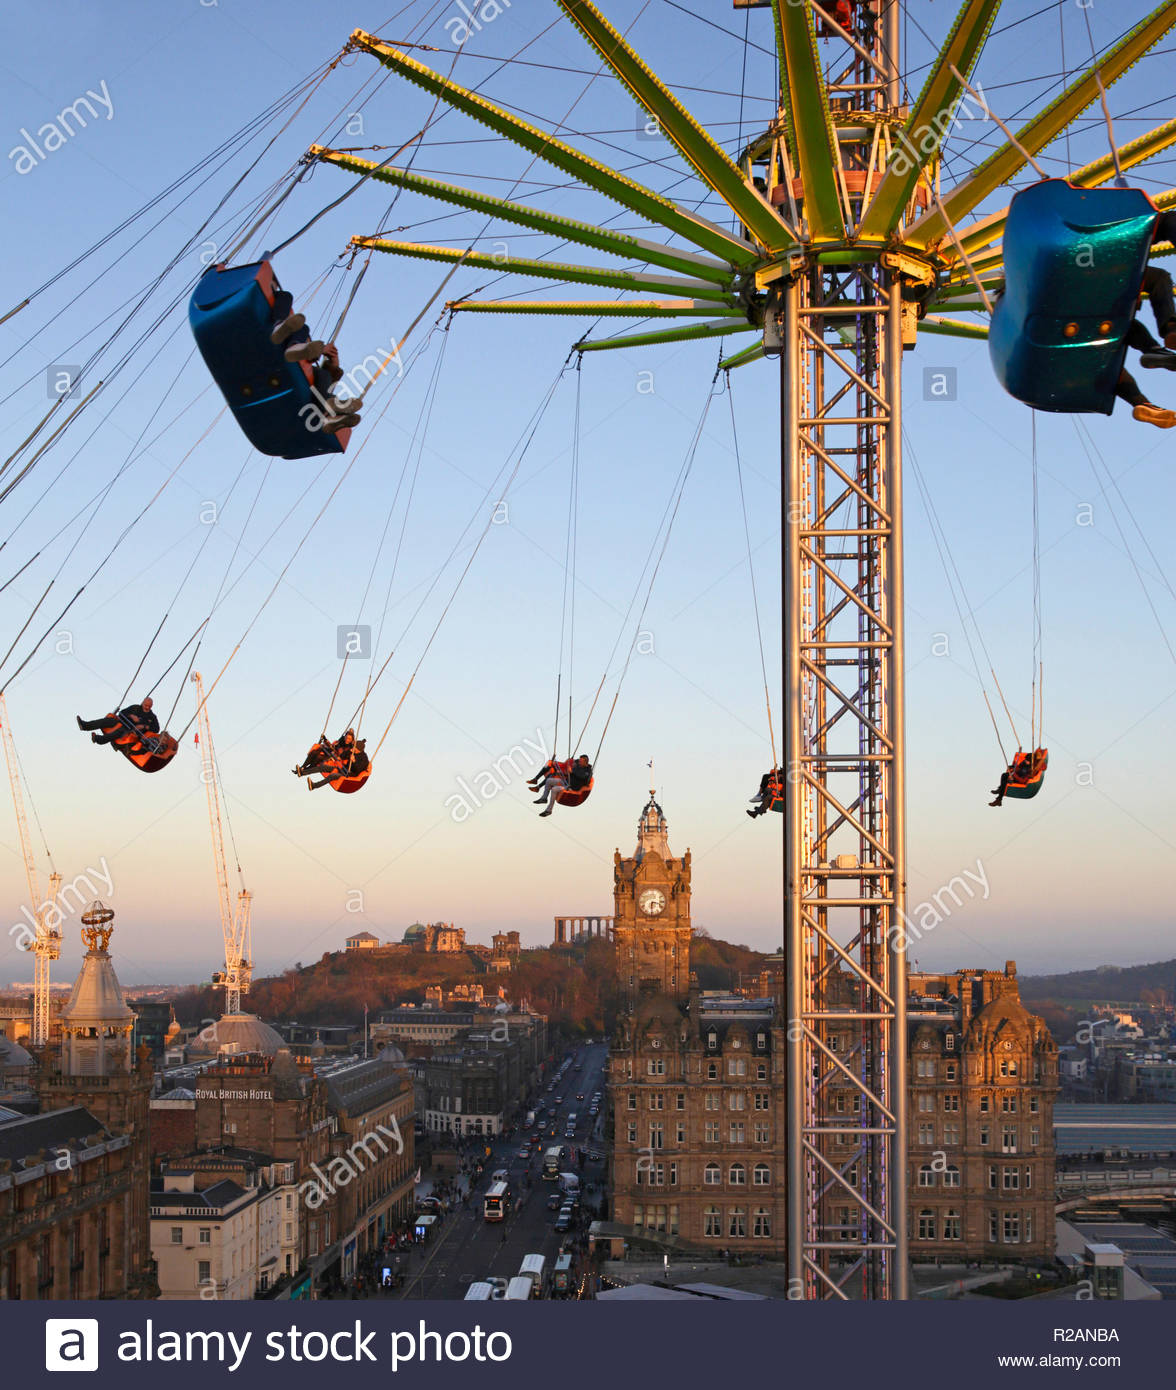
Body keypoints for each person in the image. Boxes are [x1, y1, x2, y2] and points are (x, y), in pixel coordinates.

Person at [77, 696, 159, 746]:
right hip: (122, 722)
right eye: (146, 705)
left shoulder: (152, 717)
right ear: (142, 703)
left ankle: (98, 739)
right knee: (105, 721)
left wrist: (144, 726)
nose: (147, 707)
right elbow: (122, 713)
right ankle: (85, 725)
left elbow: (156, 729)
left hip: (130, 731)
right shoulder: (135, 708)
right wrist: (131, 715)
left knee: (119, 732)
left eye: (149, 706)